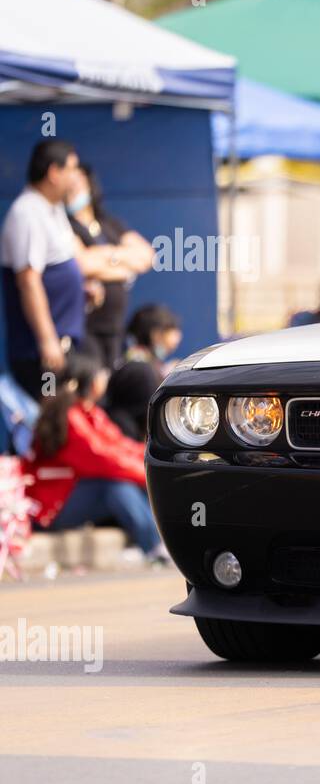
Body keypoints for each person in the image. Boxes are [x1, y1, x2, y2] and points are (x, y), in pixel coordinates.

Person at [22, 353, 168, 562]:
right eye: (101, 374)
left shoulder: (90, 413)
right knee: (115, 488)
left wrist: (154, 464)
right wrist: (147, 474)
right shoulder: (70, 418)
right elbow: (103, 459)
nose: (105, 378)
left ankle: (161, 542)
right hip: (52, 507)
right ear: (89, 381)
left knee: (125, 484)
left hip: (71, 495)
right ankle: (154, 547)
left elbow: (120, 446)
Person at [1, 141, 90, 401]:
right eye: (71, 169)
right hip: (39, 353)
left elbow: (64, 264)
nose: (75, 177)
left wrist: (81, 289)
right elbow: (28, 280)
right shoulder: (26, 212)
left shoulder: (51, 209)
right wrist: (47, 340)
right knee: (49, 428)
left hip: (62, 345)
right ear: (54, 172)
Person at [65, 163, 155, 369]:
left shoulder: (109, 224)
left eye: (78, 183)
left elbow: (147, 256)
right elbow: (83, 264)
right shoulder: (65, 225)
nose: (73, 190)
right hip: (85, 327)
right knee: (94, 382)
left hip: (114, 328)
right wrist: (124, 267)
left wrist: (106, 256)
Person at [106, 304, 182, 441]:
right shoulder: (141, 369)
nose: (177, 338)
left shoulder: (145, 364)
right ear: (155, 335)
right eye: (172, 331)